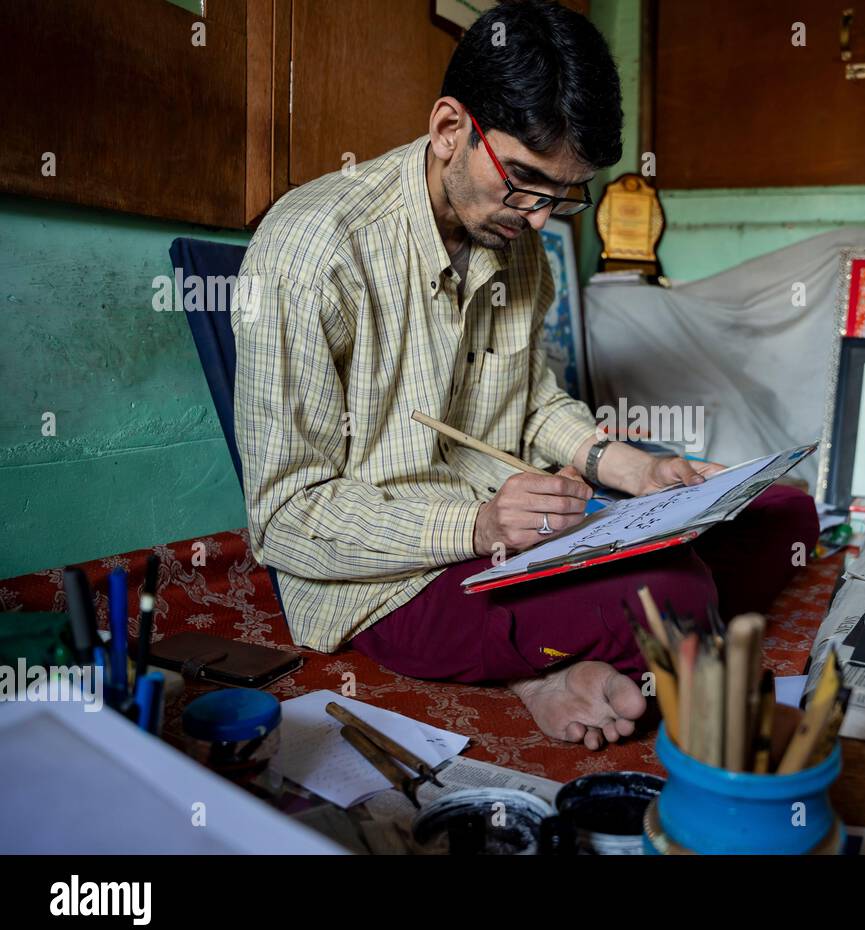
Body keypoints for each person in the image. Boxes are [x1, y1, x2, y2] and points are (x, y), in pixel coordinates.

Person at [233, 0, 817, 751]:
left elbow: (533, 400)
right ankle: (542, 668)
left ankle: (559, 652)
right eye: (528, 181)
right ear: (450, 129)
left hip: (527, 532)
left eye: (564, 193)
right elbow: (284, 519)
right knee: (674, 591)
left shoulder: (515, 240)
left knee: (783, 514)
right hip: (395, 577)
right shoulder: (312, 254)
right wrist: (476, 524)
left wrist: (630, 467)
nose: (540, 219)